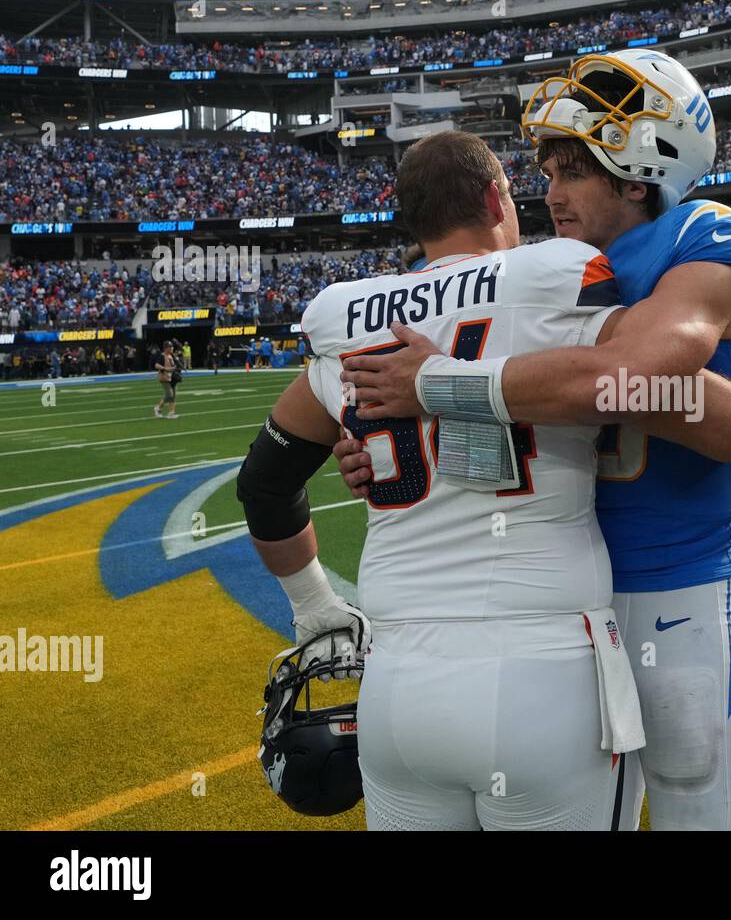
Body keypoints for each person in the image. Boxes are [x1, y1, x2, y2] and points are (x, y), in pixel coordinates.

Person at [331, 49, 731, 830]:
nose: (550, 194)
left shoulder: (699, 232)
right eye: (545, 173)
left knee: (694, 785)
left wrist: (442, 386)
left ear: (640, 170)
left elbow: (630, 373)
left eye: (572, 170)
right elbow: (618, 401)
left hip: (668, 576)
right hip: (552, 595)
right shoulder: (540, 270)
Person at [239, 131, 644, 831]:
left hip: (398, 692)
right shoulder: (558, 275)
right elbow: (646, 384)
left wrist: (316, 608)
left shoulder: (350, 320)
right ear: (495, 199)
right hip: (543, 670)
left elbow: (265, 482)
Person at [154, 342, 178, 418]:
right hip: (164, 377)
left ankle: (171, 412)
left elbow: (173, 366)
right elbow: (156, 365)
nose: (172, 348)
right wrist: (165, 369)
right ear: (166, 348)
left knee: (173, 395)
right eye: (170, 347)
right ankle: (158, 408)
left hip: (171, 377)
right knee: (169, 394)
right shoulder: (162, 356)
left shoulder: (171, 356)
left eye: (172, 347)